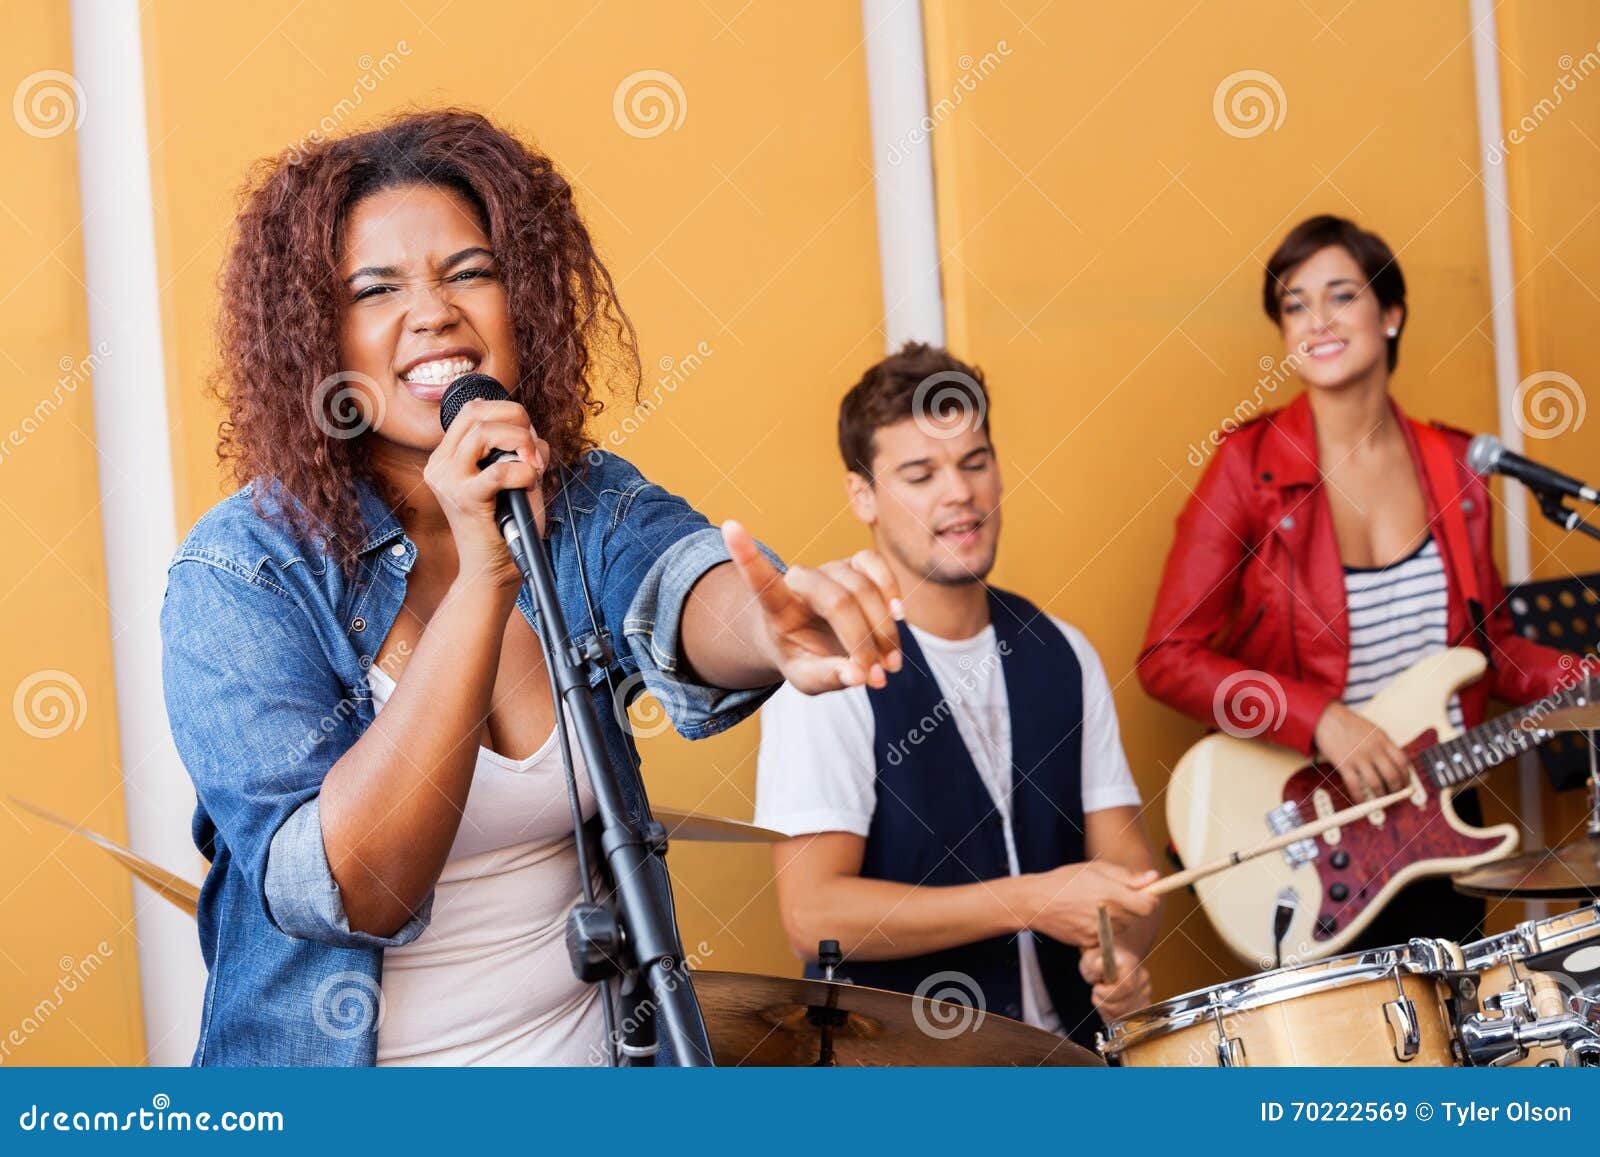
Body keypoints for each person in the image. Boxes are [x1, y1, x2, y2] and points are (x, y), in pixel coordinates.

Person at [160, 109, 901, 1067]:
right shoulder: (243, 572)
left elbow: (680, 585)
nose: (434, 312)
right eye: (375, 289)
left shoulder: (579, 498)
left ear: (527, 303)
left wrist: (773, 624)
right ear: (317, 336)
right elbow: (358, 889)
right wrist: (486, 575)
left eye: (470, 272)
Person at [1138, 214, 1577, 950]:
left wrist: (1581, 680)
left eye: (1341, 295)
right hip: (1307, 833)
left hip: (1439, 819)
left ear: (1391, 313)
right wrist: (1322, 719)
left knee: (1452, 1020)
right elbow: (1167, 656)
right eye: (1295, 305)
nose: (1317, 320)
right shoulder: (1247, 467)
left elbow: (1488, 648)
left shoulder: (1458, 468)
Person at [754, 343, 1163, 1051]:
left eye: (974, 462)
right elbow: (813, 915)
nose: (959, 493)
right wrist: (1030, 901)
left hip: (1074, 1059)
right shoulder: (831, 665)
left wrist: (1119, 950)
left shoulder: (1064, 651)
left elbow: (1133, 879)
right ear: (862, 494)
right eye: (921, 474)